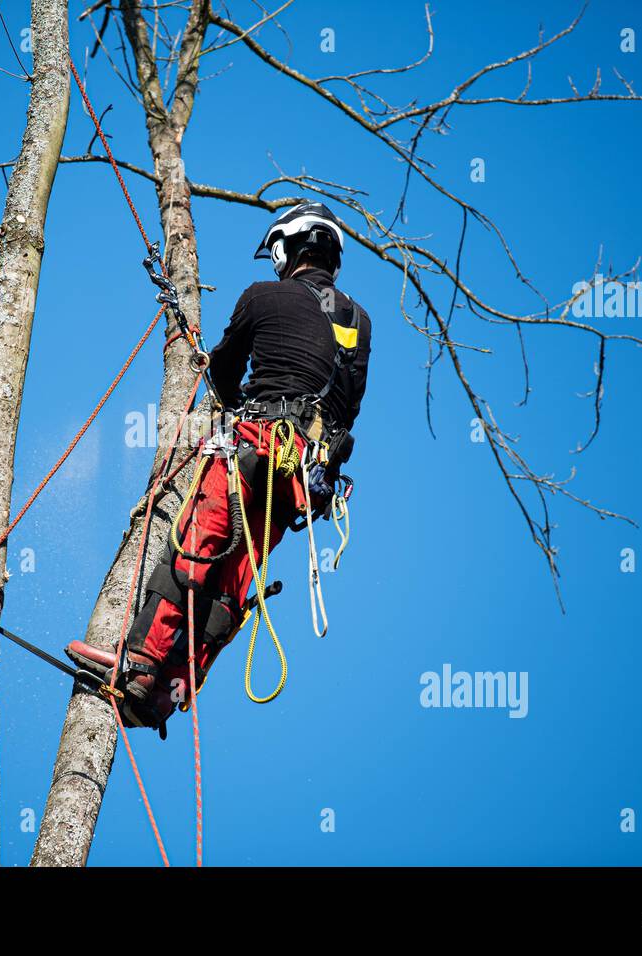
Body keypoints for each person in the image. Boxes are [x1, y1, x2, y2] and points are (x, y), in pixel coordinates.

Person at [66, 202, 372, 735]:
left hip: (253, 445)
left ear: (289, 249)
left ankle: (139, 663)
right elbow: (350, 403)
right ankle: (177, 684)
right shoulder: (359, 323)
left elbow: (225, 378)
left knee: (197, 545)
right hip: (302, 478)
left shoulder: (262, 296)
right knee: (233, 577)